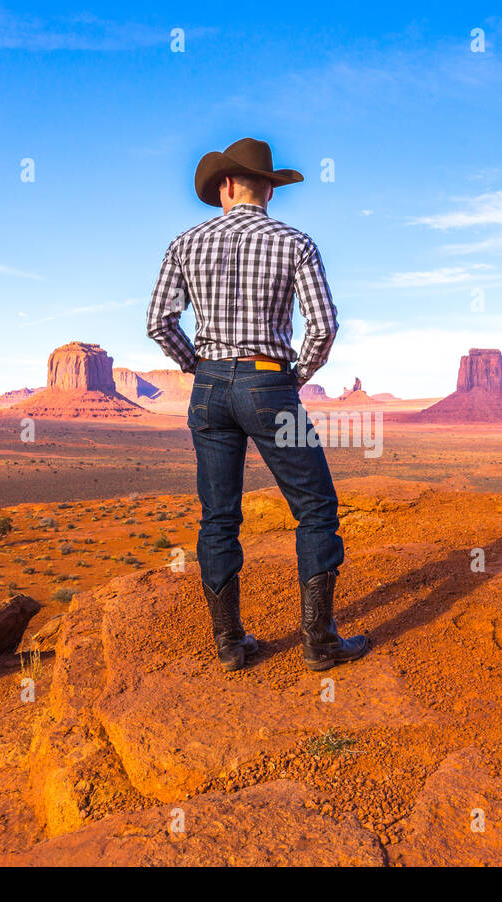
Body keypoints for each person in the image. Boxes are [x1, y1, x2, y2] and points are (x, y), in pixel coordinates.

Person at [147, 137, 369, 673]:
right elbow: (323, 326)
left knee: (218, 517)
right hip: (269, 384)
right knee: (315, 509)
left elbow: (158, 322)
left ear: (225, 185)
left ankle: (230, 644)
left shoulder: (185, 242)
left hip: (209, 390)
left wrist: (198, 366)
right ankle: (319, 642)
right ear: (269, 190)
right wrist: (295, 375)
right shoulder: (295, 242)